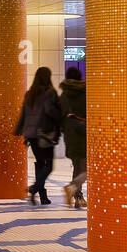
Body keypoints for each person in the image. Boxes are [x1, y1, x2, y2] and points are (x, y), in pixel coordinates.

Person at [14, 66, 61, 205]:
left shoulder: (29, 93)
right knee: (49, 165)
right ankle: (35, 188)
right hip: (44, 133)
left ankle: (42, 196)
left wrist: (19, 129)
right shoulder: (49, 93)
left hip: (31, 134)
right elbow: (50, 111)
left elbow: (23, 113)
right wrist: (60, 115)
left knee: (40, 163)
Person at [59, 67, 87, 209]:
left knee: (78, 165)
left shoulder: (64, 95)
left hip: (70, 135)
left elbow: (59, 115)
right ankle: (73, 187)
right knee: (86, 168)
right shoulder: (85, 93)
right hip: (83, 133)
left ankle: (78, 197)